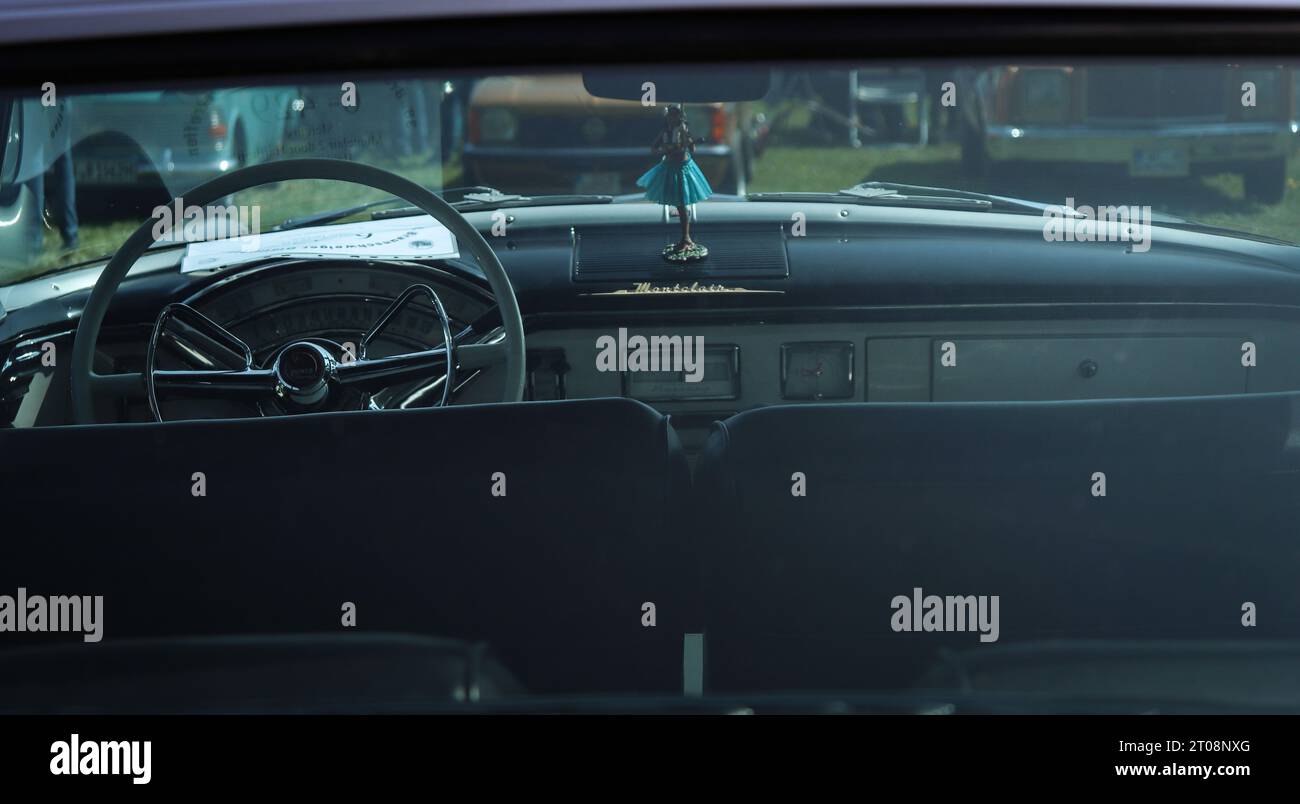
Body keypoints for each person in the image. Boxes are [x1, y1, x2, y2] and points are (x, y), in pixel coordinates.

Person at [636, 104, 712, 260]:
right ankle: (684, 238)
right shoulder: (665, 131)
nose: (672, 118)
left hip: (682, 169)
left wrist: (688, 144)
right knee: (677, 203)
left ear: (680, 116)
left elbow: (692, 149)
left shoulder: (683, 130)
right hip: (669, 167)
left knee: (682, 204)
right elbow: (654, 148)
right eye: (670, 115)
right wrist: (664, 150)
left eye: (675, 115)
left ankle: (686, 238)